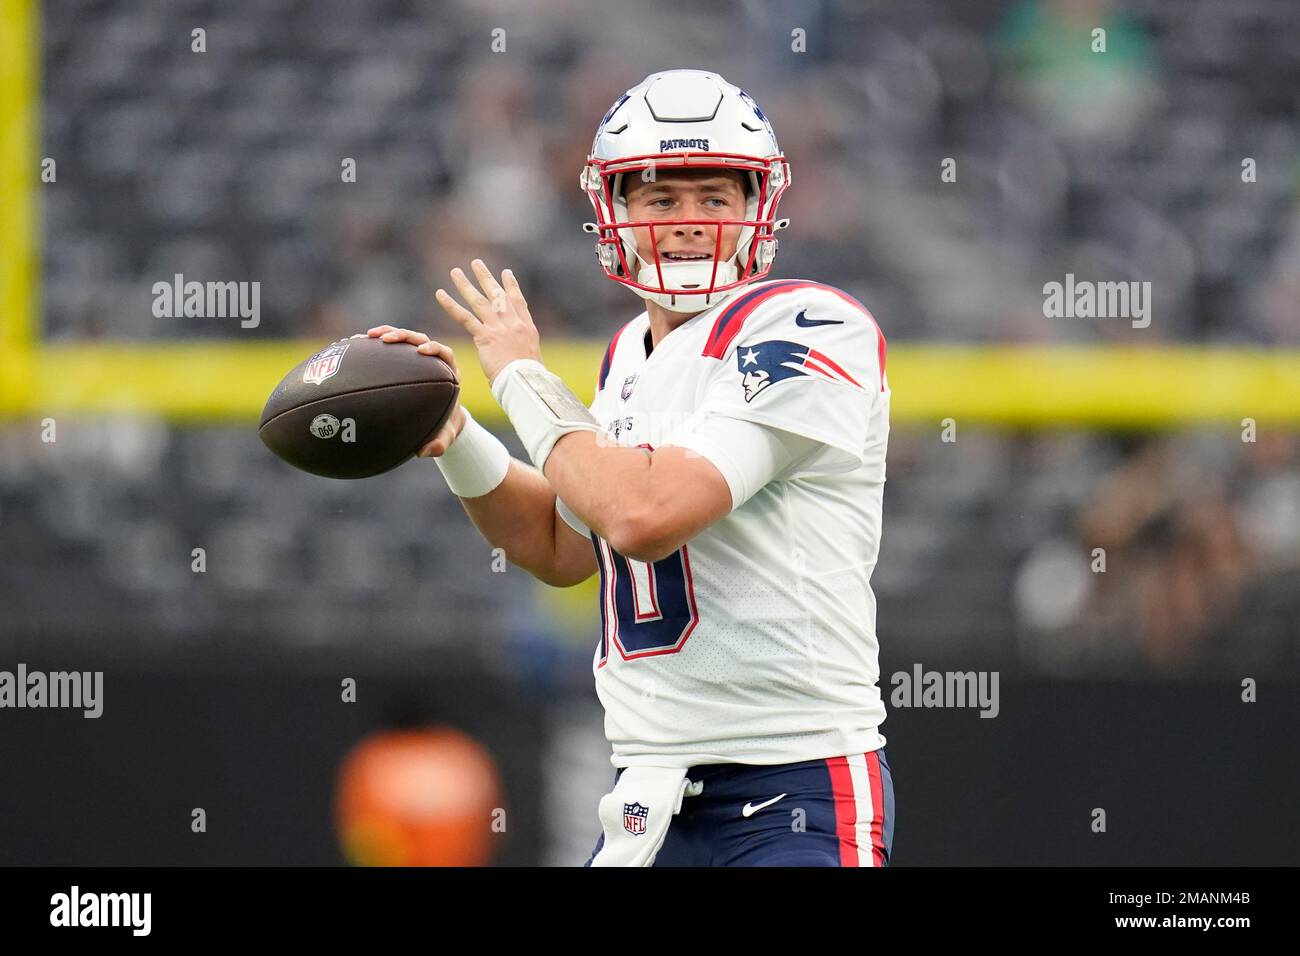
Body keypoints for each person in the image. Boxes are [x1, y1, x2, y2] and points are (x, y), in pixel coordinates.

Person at [368, 70, 893, 867]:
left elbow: (644, 518)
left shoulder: (814, 327)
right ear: (615, 213)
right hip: (648, 798)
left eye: (715, 199)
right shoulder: (627, 357)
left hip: (794, 785)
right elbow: (560, 542)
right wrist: (458, 434)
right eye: (660, 199)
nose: (689, 223)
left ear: (758, 208)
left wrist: (519, 377)